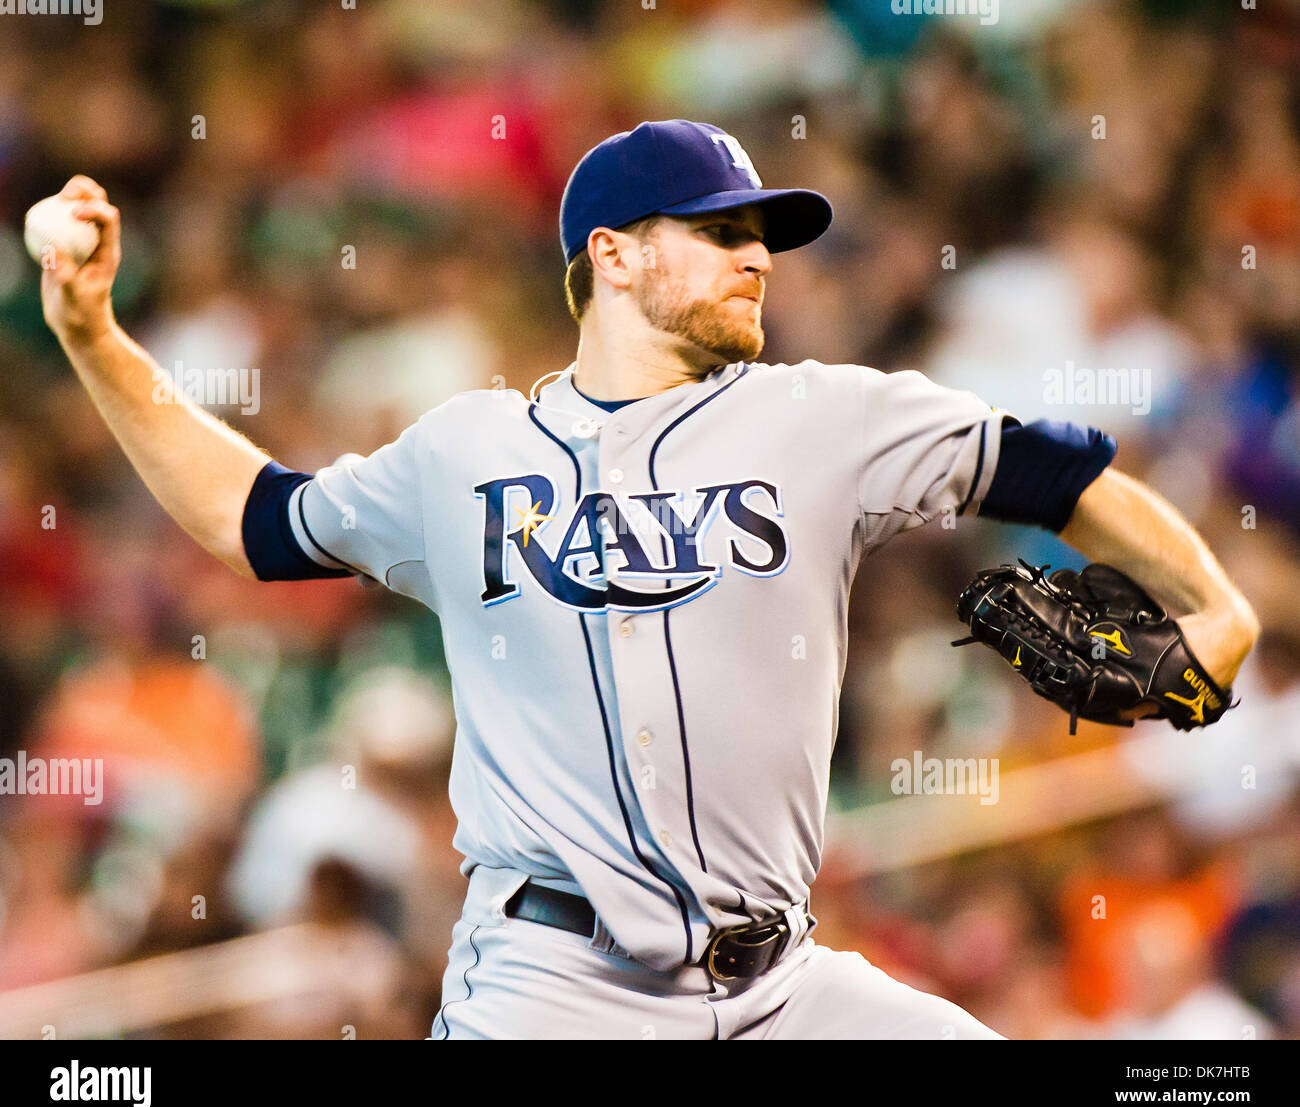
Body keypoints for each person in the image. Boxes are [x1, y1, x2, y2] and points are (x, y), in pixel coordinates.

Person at [40, 119, 1260, 1039]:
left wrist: (1216, 603)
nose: (756, 259)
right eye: (722, 231)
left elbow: (1055, 471)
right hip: (551, 985)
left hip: (782, 984)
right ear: (612, 257)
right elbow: (252, 518)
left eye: (761, 237)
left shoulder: (824, 416)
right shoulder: (463, 452)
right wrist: (95, 336)